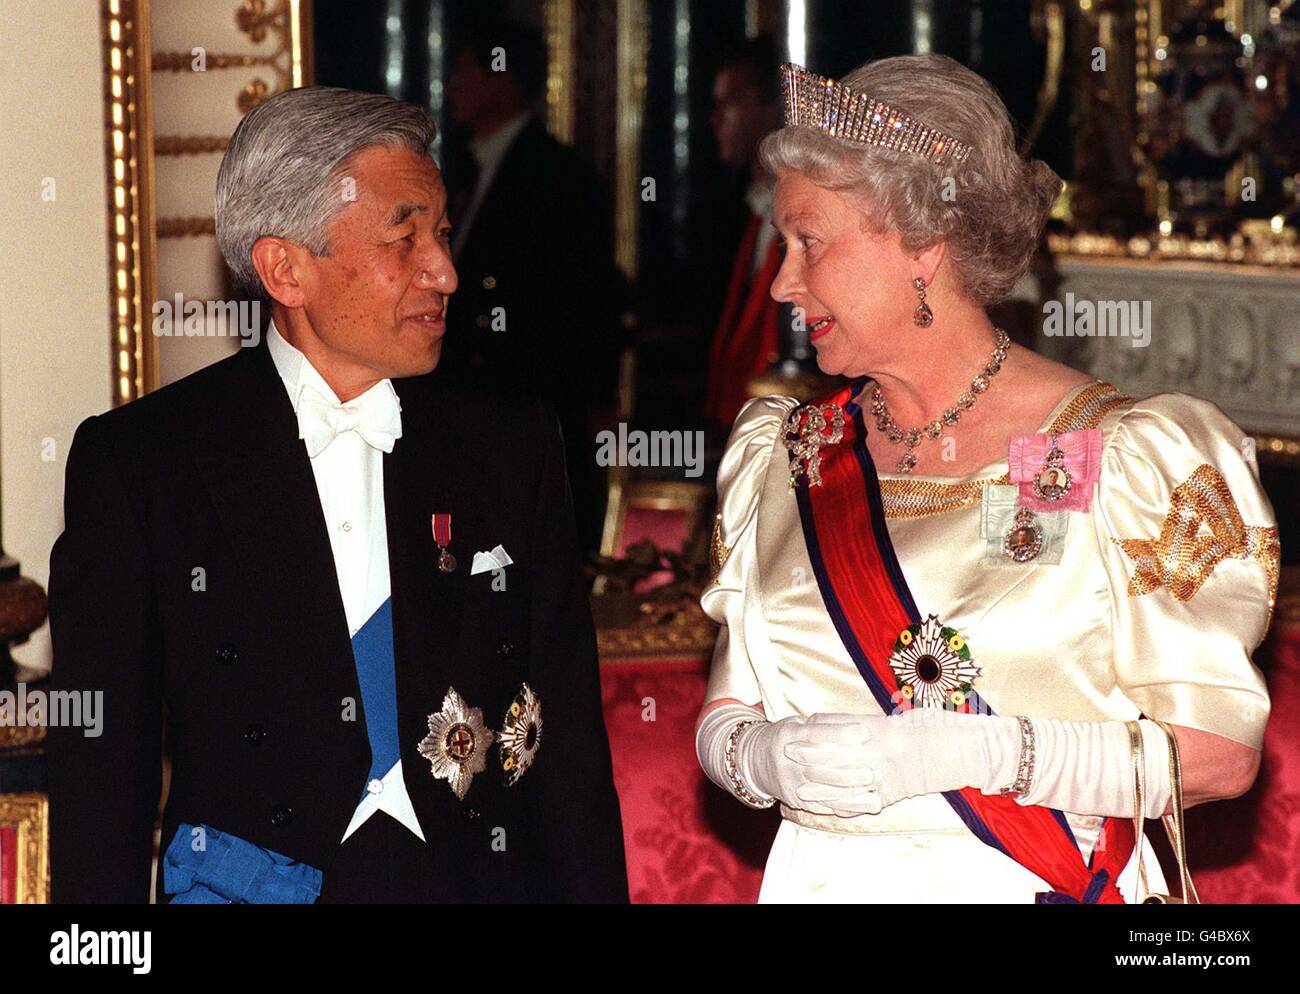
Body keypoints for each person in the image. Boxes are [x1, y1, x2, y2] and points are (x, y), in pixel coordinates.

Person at [695, 55, 1277, 903]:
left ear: (923, 245)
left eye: (808, 242)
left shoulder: (1110, 455)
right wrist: (758, 757)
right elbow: (725, 712)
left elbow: (1219, 757)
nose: (783, 282)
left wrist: (987, 753)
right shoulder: (785, 456)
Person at [46, 86, 628, 903]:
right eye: (406, 238)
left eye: (443, 234)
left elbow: (565, 750)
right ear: (285, 268)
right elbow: (103, 766)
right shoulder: (147, 462)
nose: (446, 272)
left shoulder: (510, 442)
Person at [441, 19, 626, 556]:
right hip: (471, 410)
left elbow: (587, 305)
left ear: (502, 79)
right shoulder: (464, 171)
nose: (452, 85)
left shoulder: (557, 174)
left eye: (463, 70)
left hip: (534, 410)